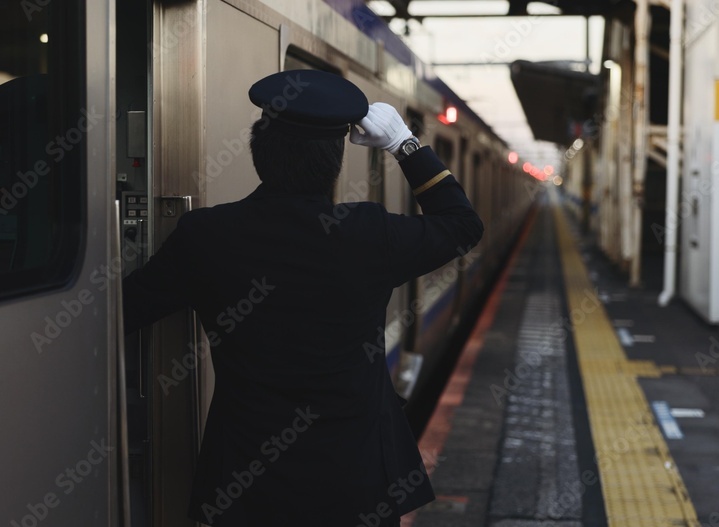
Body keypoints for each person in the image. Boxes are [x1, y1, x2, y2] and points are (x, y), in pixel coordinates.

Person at [122, 69, 484, 527]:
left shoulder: (206, 235)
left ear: (259, 153)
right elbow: (462, 225)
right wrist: (403, 144)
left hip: (246, 484)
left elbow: (125, 310)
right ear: (335, 162)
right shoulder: (369, 234)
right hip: (357, 485)